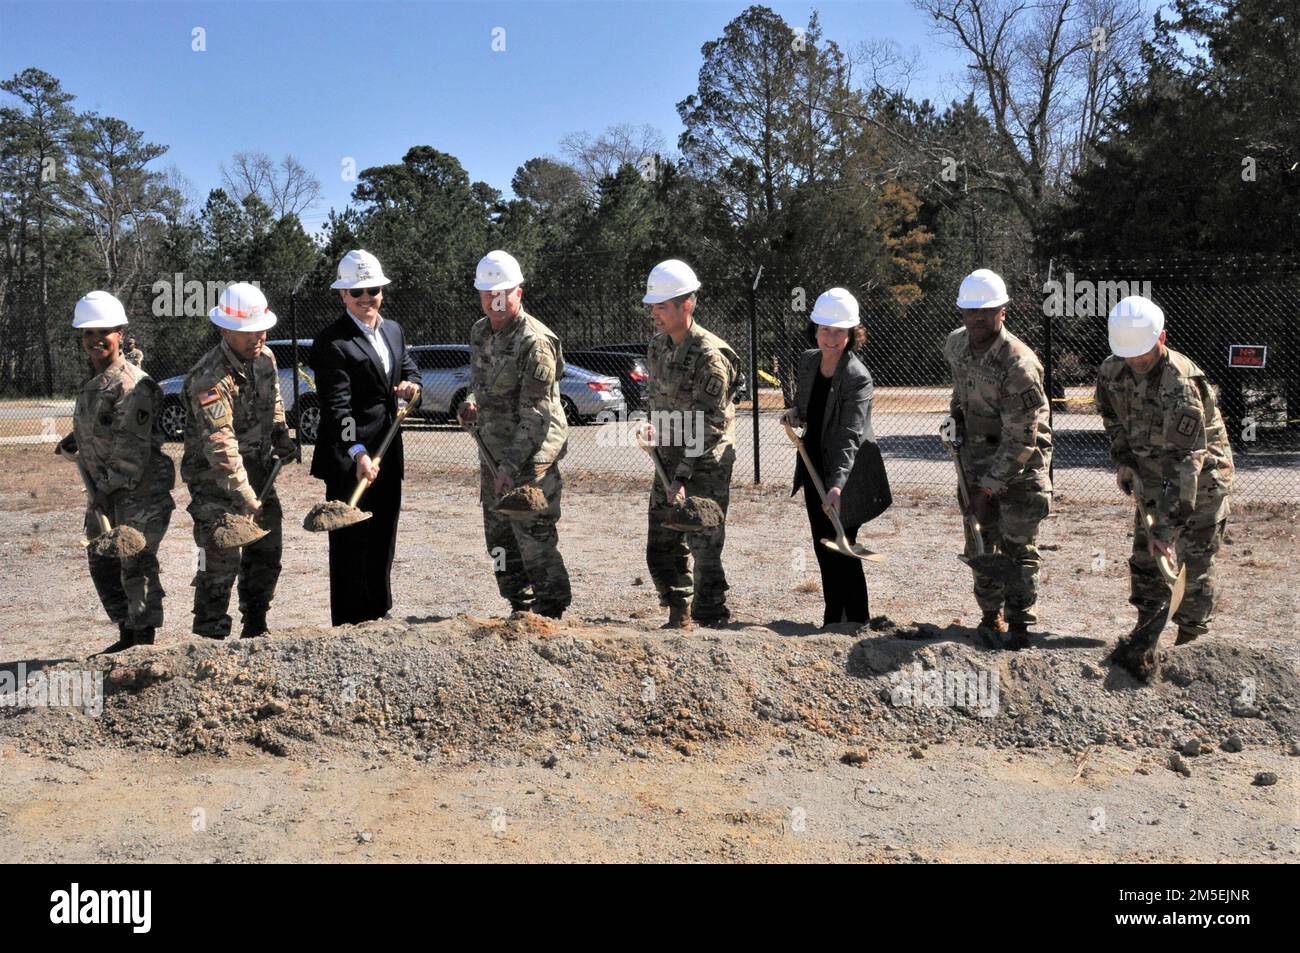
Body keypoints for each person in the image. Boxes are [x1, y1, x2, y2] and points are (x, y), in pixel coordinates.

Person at [1096, 296, 1234, 680]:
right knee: (1146, 559)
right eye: (1129, 355)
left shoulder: (1181, 383)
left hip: (1201, 482)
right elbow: (1112, 418)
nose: (1136, 362)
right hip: (1153, 479)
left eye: (1143, 353)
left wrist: (1168, 530)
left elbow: (1186, 463)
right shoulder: (1112, 371)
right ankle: (1145, 638)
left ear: (1162, 338)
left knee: (1193, 566)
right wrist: (1125, 460)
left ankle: (1191, 650)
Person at [310, 250, 421, 626]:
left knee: (383, 533)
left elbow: (410, 371)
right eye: (356, 291)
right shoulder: (331, 342)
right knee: (350, 543)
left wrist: (411, 387)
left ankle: (378, 612)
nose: (365, 297)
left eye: (372, 290)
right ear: (343, 294)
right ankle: (349, 622)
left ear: (382, 292)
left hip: (388, 452)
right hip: (350, 460)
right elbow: (336, 408)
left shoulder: (393, 331)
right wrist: (357, 452)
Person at [943, 268, 1053, 649]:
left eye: (986, 311)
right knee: (979, 542)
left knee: (1018, 549)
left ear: (1002, 311)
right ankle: (990, 616)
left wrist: (988, 489)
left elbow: (1021, 439)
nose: (977, 318)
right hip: (976, 461)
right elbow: (960, 390)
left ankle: (1020, 625)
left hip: (1021, 469)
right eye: (970, 311)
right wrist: (955, 418)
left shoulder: (1019, 365)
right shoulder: (956, 345)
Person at [458, 251, 571, 618]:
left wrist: (509, 467)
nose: (495, 300)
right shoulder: (480, 332)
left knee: (533, 536)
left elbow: (537, 415)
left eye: (502, 293)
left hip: (530, 456)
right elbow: (482, 384)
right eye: (488, 293)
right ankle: (519, 606)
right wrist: (470, 403)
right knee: (499, 540)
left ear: (518, 292)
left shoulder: (535, 342)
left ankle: (551, 609)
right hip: (493, 452)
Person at [181, 282, 296, 639]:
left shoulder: (266, 358)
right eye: (248, 331)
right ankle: (208, 634)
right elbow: (220, 444)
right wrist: (244, 494)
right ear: (224, 329)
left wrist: (280, 433)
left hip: (258, 471)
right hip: (215, 482)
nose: (257, 337)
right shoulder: (209, 378)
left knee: (267, 550)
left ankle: (256, 624)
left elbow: (274, 397)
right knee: (218, 558)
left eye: (261, 329)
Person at [67, 291, 175, 653]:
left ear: (120, 333)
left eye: (105, 332)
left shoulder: (131, 384)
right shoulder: (98, 377)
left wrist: (104, 490)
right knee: (102, 561)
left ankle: (142, 643)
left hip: (137, 491)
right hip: (106, 489)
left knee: (135, 564)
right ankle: (127, 634)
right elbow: (104, 425)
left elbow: (131, 448)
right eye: (88, 333)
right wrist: (75, 439)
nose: (96, 340)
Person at [780, 288, 892, 627]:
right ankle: (833, 618)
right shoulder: (808, 361)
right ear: (815, 329)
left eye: (839, 331)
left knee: (844, 545)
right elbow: (807, 405)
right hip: (813, 463)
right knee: (822, 543)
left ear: (852, 334)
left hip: (849, 472)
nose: (830, 338)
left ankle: (855, 619)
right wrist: (795, 414)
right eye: (825, 329)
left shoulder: (857, 377)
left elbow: (849, 435)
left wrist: (837, 485)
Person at [640, 259, 739, 628]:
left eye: (662, 306)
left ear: (687, 304)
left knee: (703, 543)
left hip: (705, 462)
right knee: (662, 544)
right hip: (668, 459)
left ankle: (712, 620)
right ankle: (678, 614)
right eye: (653, 306)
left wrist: (682, 475)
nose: (655, 313)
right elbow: (658, 400)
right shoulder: (657, 347)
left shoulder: (710, 356)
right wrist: (652, 428)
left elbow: (709, 423)